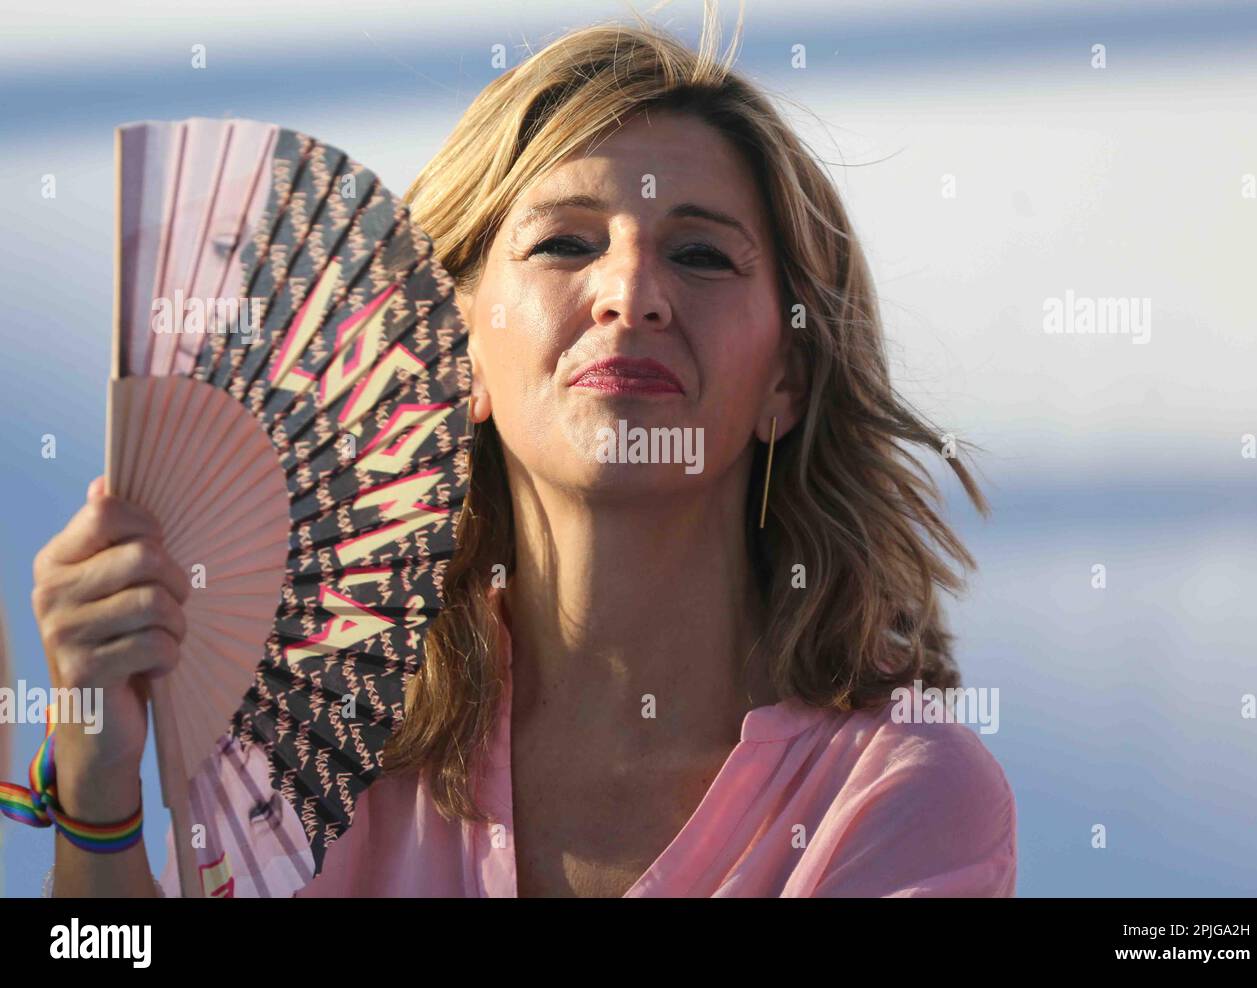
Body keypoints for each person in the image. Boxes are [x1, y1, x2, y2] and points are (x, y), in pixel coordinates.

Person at [32, 2, 1015, 897]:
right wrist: (99, 790)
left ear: (786, 382)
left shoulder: (900, 792)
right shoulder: (334, 755)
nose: (630, 291)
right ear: (452, 354)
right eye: (565, 245)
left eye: (701, 253)